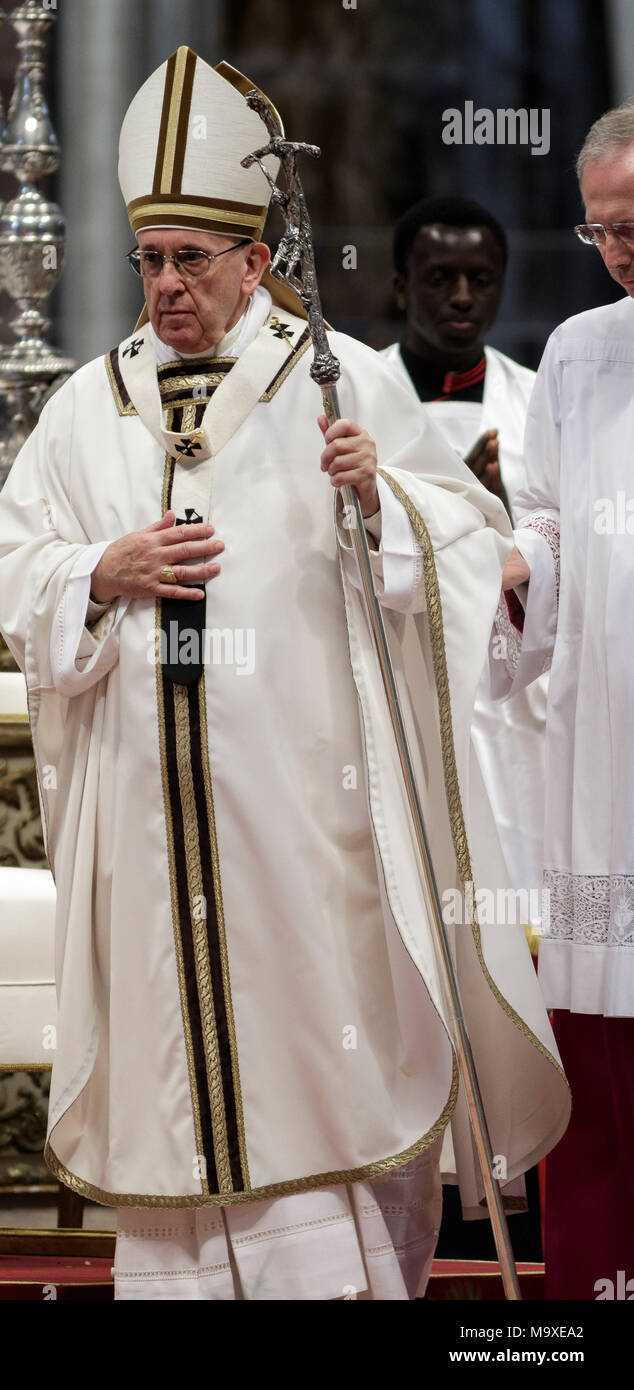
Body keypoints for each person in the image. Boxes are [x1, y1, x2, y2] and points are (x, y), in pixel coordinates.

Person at [0, 47, 568, 1301]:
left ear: (255, 260)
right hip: (150, 827)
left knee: (314, 1063)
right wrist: (102, 569)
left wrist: (382, 500)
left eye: (193, 260)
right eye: (149, 260)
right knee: (176, 1071)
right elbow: (13, 564)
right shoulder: (90, 405)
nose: (166, 286)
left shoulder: (335, 380)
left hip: (307, 824)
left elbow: (463, 545)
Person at [495, 101, 634, 1300]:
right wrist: (515, 564)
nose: (621, 252)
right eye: (600, 235)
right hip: (602, 763)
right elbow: (539, 510)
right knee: (595, 1065)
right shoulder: (580, 352)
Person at [381, 197, 546, 937]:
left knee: (516, 908)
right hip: (397, 675)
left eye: (480, 279)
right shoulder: (355, 400)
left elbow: (574, 551)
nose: (460, 297)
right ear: (398, 285)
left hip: (509, 701)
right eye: (438, 276)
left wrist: (505, 519)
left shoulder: (538, 406)